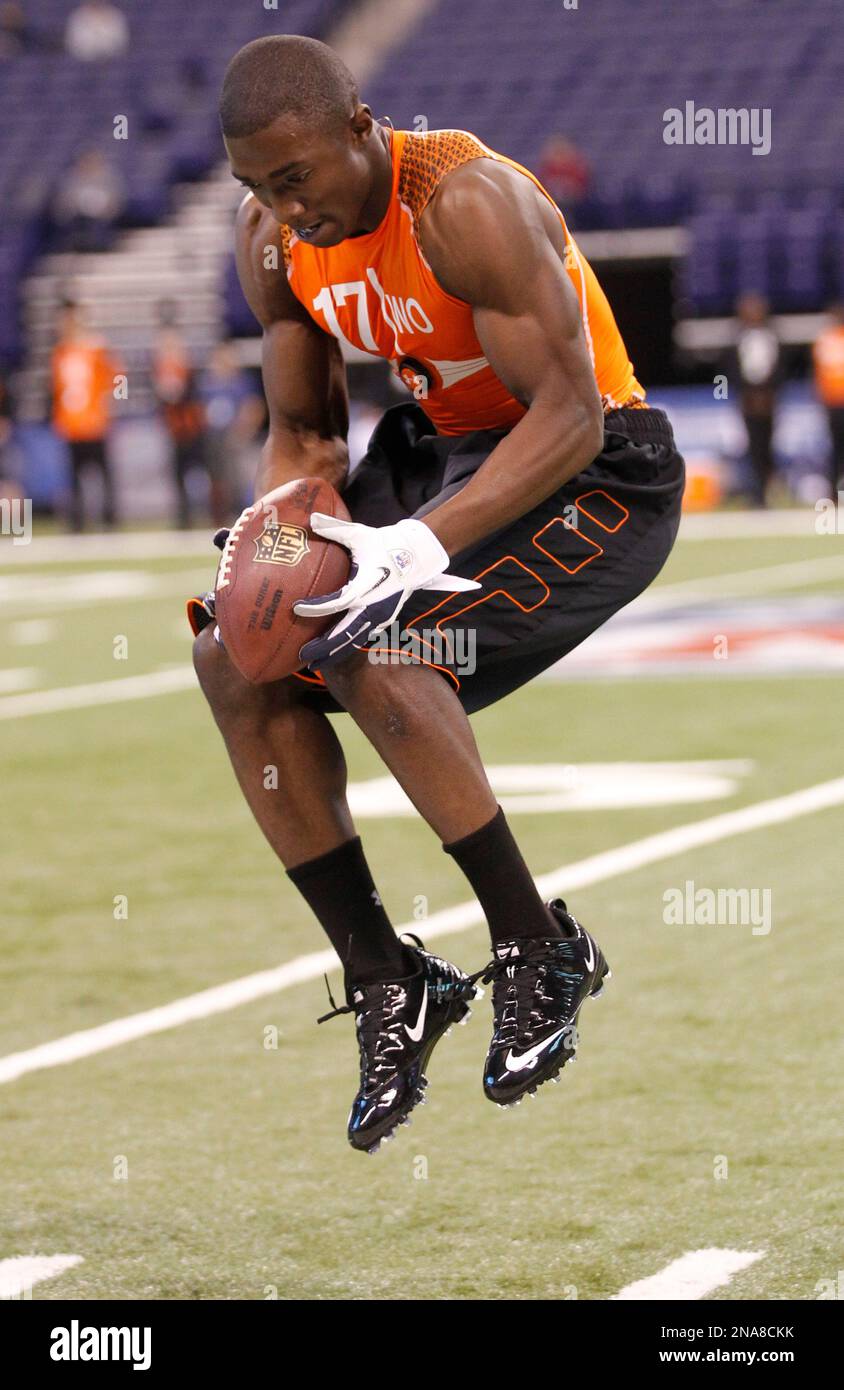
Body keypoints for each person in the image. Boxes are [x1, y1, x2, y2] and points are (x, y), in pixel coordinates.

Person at [188, 36, 685, 1153]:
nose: (281, 207)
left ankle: (537, 944)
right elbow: (306, 433)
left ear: (360, 127)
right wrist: (282, 531)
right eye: (258, 187)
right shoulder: (273, 239)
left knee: (377, 642)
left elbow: (570, 414)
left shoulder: (467, 203)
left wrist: (407, 547)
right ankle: (388, 977)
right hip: (447, 453)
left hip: (595, 467)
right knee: (232, 654)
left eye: (296, 175)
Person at [50, 301, 119, 530]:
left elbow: (120, 378)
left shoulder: (97, 349)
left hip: (95, 423)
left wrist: (114, 404)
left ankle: (109, 521)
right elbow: (57, 390)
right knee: (74, 478)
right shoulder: (60, 352)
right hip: (71, 424)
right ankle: (77, 523)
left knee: (103, 476)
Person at [150, 305, 207, 529]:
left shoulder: (187, 362)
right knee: (178, 475)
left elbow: (193, 392)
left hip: (191, 425)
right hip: (175, 427)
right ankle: (184, 518)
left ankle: (212, 513)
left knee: (202, 470)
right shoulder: (159, 365)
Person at [725, 293, 783, 507]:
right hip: (747, 401)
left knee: (768, 446)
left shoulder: (772, 336)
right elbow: (724, 373)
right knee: (752, 447)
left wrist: (772, 394)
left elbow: (781, 370)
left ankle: (769, 492)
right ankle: (755, 494)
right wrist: (737, 395)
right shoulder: (737, 338)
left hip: (768, 400)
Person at [198, 341, 264, 526]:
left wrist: (244, 430)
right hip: (213, 437)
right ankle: (219, 516)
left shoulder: (242, 382)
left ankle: (242, 516)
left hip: (235, 436)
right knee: (216, 480)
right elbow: (200, 409)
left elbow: (254, 406)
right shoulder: (208, 382)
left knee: (239, 479)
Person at [52, 149, 124, 254]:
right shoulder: (72, 179)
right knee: (77, 221)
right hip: (78, 215)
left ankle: (98, 245)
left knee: (97, 223)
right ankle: (78, 245)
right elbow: (64, 200)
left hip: (102, 214)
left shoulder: (109, 178)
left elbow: (116, 198)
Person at [812, 302, 844, 504]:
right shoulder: (824, 339)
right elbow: (819, 373)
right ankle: (834, 493)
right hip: (833, 403)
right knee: (835, 449)